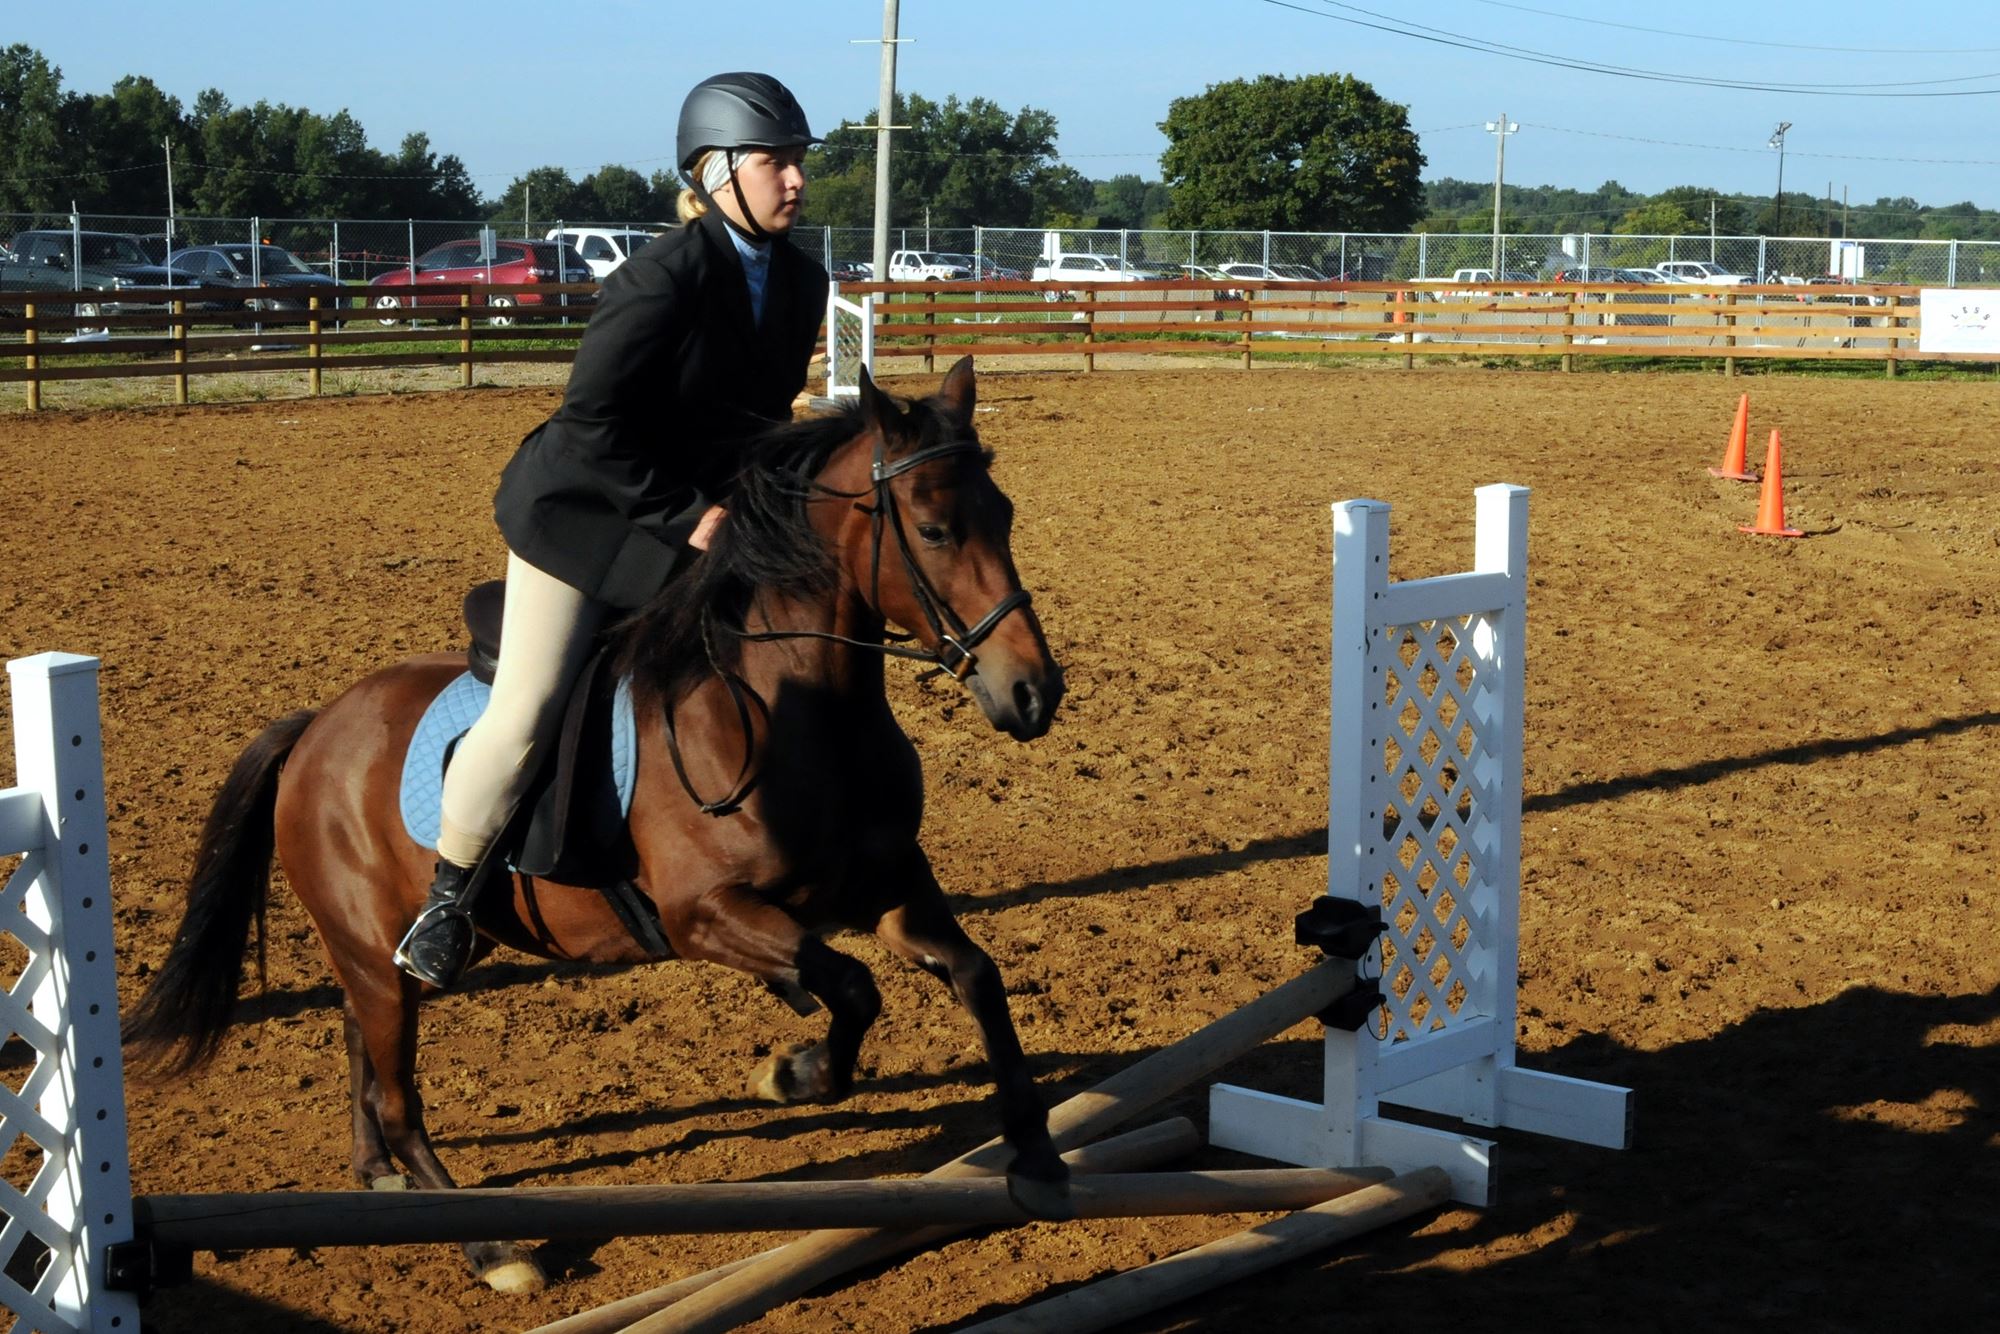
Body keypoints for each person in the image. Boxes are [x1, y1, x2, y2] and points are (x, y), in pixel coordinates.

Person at [394, 72, 829, 988]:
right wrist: (689, 515)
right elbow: (592, 429)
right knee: (527, 711)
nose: (794, 179)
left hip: (699, 517)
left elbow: (756, 417)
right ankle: (450, 895)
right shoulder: (658, 278)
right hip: (584, 516)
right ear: (715, 172)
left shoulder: (800, 277)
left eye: (798, 162)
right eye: (774, 162)